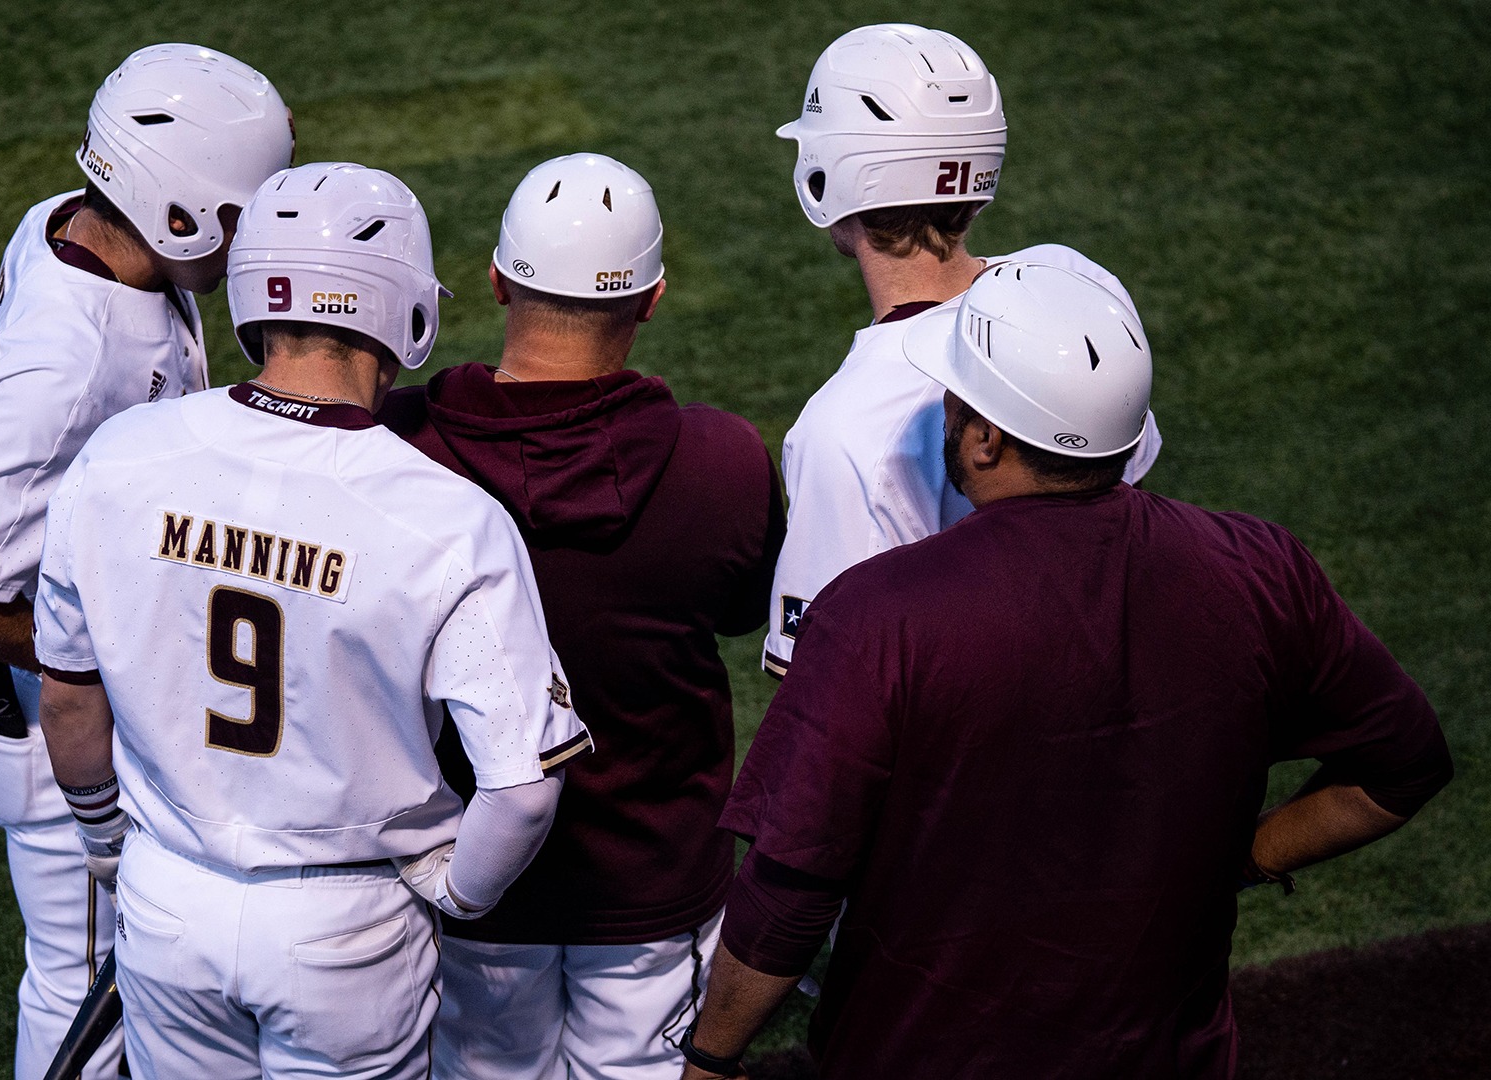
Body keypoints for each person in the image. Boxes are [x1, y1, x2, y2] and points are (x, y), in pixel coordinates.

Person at [680, 263, 1453, 1079]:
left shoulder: (878, 617)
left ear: (985, 438)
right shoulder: (1261, 568)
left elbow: (790, 891)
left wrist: (712, 1058)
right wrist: (1248, 856)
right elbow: (1405, 765)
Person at [32, 161, 591, 1079]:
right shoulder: (448, 518)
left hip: (167, 895)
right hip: (349, 928)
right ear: (408, 312)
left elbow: (66, 699)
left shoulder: (120, 455)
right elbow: (525, 789)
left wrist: (104, 840)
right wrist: (461, 893)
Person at [0, 44, 293, 1080]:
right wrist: (82, 657)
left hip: (67, 707)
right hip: (49, 729)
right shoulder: (66, 360)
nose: (253, 235)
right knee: (84, 983)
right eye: (239, 212)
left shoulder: (74, 222)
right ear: (176, 208)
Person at [380, 153, 784, 1080]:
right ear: (652, 299)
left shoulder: (401, 447)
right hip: (654, 882)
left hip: (466, 875)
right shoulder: (723, 459)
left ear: (496, 280)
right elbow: (740, 612)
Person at [762, 22, 1164, 679]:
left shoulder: (844, 430)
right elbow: (1128, 509)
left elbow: (825, 692)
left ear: (828, 177)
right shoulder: (1081, 290)